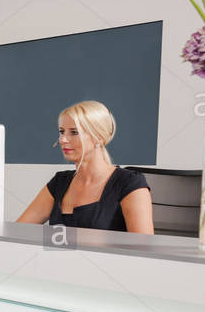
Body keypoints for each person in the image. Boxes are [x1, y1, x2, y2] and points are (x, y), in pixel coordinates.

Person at [16, 100, 154, 234]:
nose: (63, 139)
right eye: (62, 132)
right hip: (58, 257)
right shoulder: (59, 182)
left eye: (74, 132)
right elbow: (18, 231)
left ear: (98, 137)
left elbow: (143, 249)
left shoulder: (129, 183)